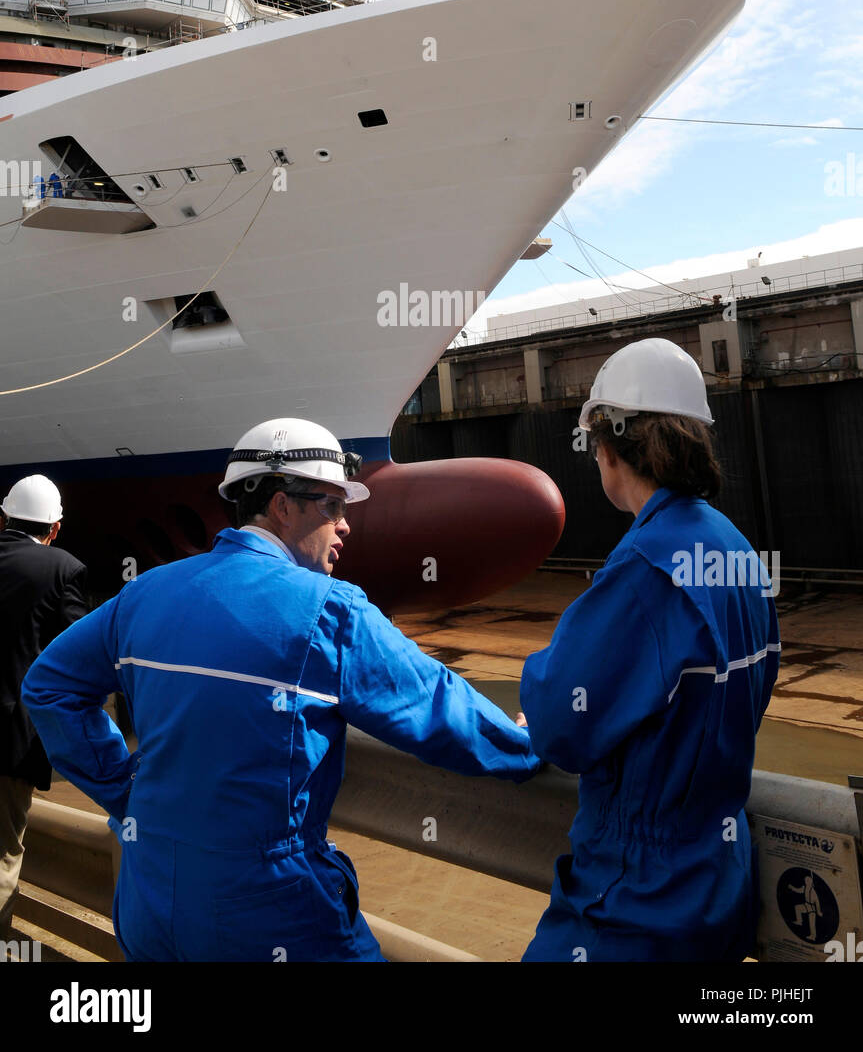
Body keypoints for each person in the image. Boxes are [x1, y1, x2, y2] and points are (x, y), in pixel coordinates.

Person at [23, 418, 540, 962]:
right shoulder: (330, 610)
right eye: (333, 506)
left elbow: (50, 686)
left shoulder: (144, 592)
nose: (345, 526)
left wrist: (128, 791)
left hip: (149, 898)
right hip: (268, 909)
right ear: (282, 506)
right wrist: (526, 743)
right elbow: (438, 709)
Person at [520, 338, 780, 962]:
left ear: (610, 447)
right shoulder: (738, 552)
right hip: (718, 883)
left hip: (635, 899)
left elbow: (561, 724)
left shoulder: (644, 569)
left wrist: (540, 690)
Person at [0, 475, 87, 940]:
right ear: (54, 528)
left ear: (4, 518)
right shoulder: (62, 568)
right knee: (2, 855)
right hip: (9, 744)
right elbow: (78, 650)